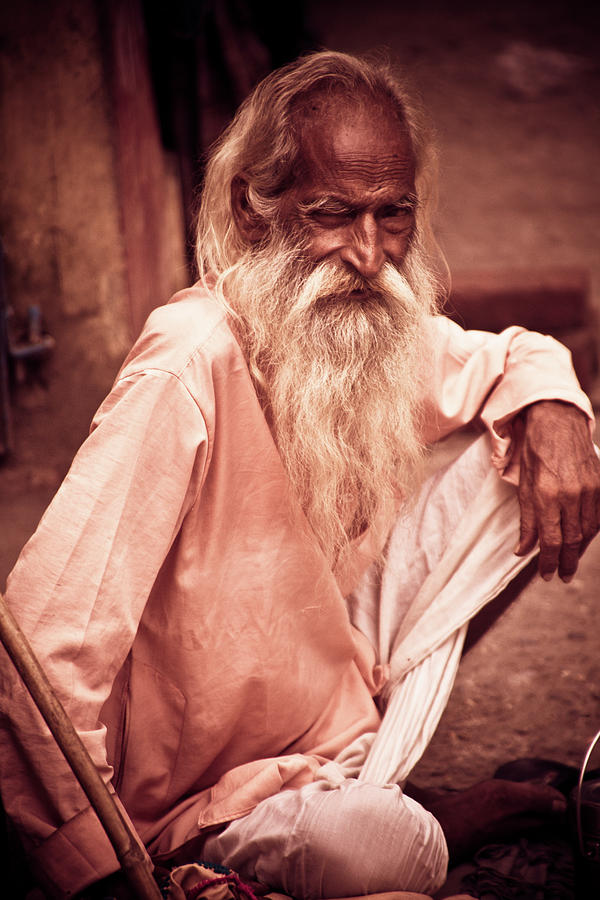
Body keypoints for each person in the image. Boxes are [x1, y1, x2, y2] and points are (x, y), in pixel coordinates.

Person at [1, 49, 599, 900]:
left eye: (394, 214)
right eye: (332, 213)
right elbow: (43, 641)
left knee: (567, 448)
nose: (368, 253)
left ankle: (383, 772)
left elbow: (512, 358)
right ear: (254, 209)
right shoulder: (186, 364)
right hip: (194, 799)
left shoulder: (373, 325)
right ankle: (422, 814)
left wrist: (561, 413)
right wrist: (93, 869)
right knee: (377, 847)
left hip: (337, 707)